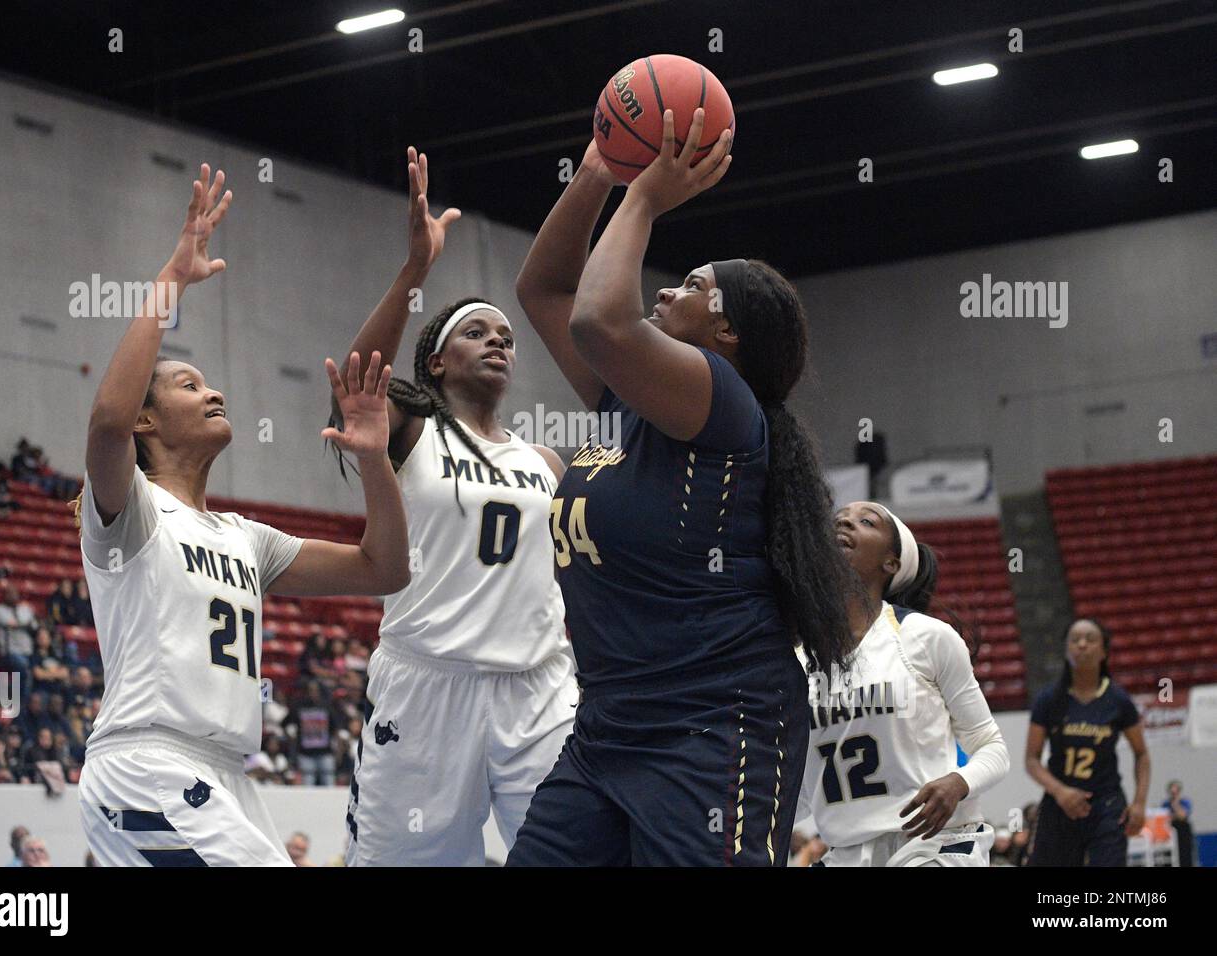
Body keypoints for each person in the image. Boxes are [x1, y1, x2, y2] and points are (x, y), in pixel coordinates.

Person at [506, 114, 855, 866]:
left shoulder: (724, 401)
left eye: (693, 287)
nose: (667, 290)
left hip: (712, 722)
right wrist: (600, 169)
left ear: (728, 335)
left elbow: (600, 316)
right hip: (607, 725)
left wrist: (646, 198)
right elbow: (544, 288)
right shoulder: (624, 402)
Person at [75, 164, 410, 867]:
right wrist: (173, 274)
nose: (213, 389)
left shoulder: (245, 540)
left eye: (208, 380)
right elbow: (106, 420)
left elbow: (384, 568)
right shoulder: (131, 513)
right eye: (187, 384)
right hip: (150, 763)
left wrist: (376, 458)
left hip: (224, 775)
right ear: (147, 418)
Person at [336, 148, 577, 866]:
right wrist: (415, 270)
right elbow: (357, 382)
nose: (498, 341)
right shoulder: (410, 430)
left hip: (538, 688)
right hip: (428, 684)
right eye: (477, 332)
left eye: (505, 337)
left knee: (573, 854)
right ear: (436, 360)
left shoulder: (547, 462)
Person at [797, 502, 1009, 866]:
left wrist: (958, 782)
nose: (845, 521)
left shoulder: (925, 637)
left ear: (891, 562)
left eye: (866, 521)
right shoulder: (798, 659)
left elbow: (992, 747)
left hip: (935, 842)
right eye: (838, 519)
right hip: (847, 853)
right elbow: (804, 787)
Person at [1025, 618, 1150, 866]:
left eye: (1090, 639)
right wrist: (1061, 792)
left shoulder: (1118, 700)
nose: (1082, 644)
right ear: (1066, 649)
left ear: (1103, 651)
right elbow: (1031, 759)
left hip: (1106, 804)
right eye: (1075, 639)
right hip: (1059, 804)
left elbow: (1142, 755)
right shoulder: (1048, 700)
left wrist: (1139, 803)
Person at [1161, 779, 1194, 867]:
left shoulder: (1185, 802)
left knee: (1185, 855)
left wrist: (1175, 804)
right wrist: (1174, 816)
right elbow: (1166, 818)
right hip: (1170, 831)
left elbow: (1182, 816)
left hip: (1183, 832)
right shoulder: (1165, 804)